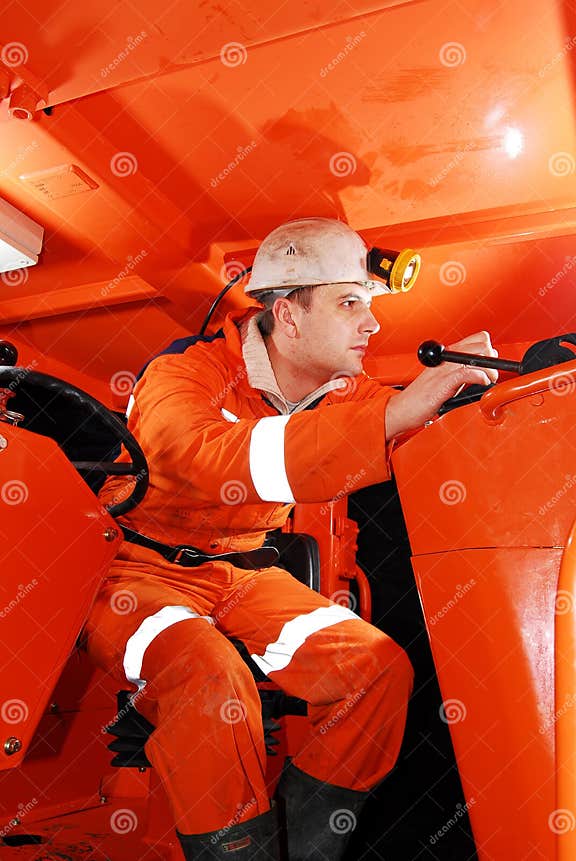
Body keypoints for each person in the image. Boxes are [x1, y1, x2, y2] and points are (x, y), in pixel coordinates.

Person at [85, 217, 498, 860]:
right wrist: (394, 412)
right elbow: (192, 457)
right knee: (207, 676)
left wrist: (504, 397)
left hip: (241, 575)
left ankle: (303, 849)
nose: (373, 324)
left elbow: (427, 440)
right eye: (350, 303)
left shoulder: (344, 394)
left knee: (377, 670)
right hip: (131, 570)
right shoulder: (184, 373)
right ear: (288, 314)